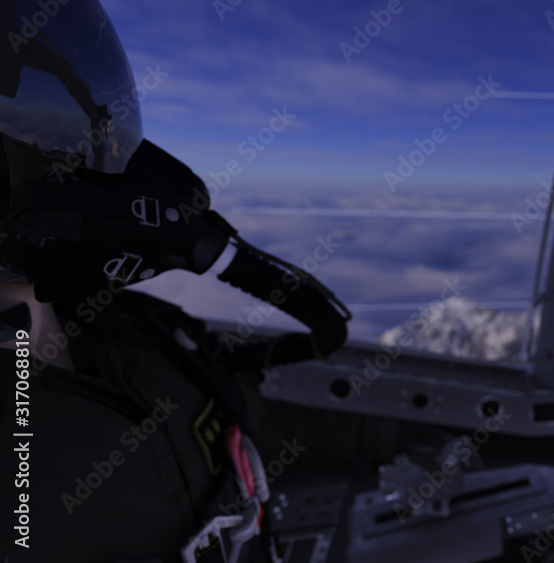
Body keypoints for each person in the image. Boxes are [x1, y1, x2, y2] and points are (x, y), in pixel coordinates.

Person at [0, 1, 420, 560]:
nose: (81, 172)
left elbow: (243, 409)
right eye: (39, 151)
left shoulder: (132, 323)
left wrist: (401, 437)